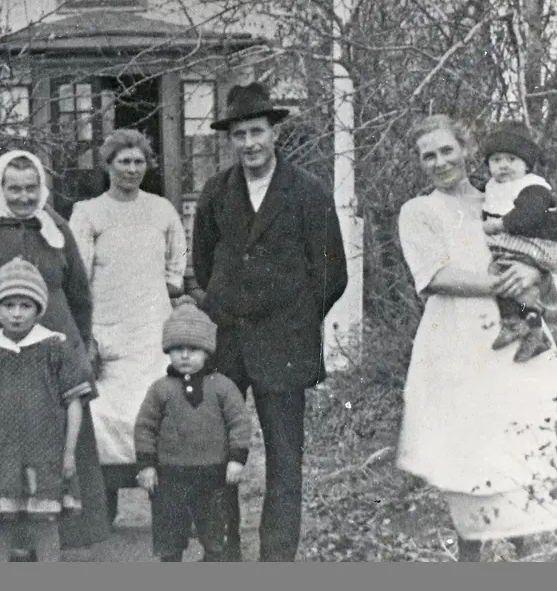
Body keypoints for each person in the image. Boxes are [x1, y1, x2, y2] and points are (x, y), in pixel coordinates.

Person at [396, 114, 557, 562]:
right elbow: (434, 276)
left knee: (521, 437)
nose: (439, 161)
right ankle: (473, 557)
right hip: (456, 339)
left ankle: (526, 549)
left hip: (519, 332)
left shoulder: (505, 195)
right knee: (471, 444)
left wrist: (536, 268)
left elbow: (551, 247)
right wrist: (502, 283)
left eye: (447, 150)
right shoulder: (419, 211)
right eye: (428, 155)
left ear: (467, 150)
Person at [192, 82, 349, 561]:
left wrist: (294, 320)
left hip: (284, 345)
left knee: (285, 459)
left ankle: (277, 560)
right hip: (227, 342)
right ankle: (223, 556)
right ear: (230, 139)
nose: (249, 144)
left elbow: (332, 273)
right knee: (217, 452)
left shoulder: (307, 192)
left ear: (274, 132)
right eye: (239, 135)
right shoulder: (216, 192)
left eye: (257, 131)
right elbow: (204, 264)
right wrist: (230, 307)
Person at [0, 149, 110, 552]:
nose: (24, 197)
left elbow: (80, 292)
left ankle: (58, 539)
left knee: (57, 444)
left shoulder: (56, 228)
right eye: (14, 189)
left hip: (53, 353)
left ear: (41, 188)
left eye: (31, 189)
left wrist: (80, 344)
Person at [69, 128, 188, 523]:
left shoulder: (161, 210)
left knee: (152, 411)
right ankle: (103, 517)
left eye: (139, 162)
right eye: (124, 162)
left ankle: (165, 514)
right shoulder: (89, 213)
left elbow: (175, 267)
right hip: (107, 328)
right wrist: (89, 335)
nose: (132, 169)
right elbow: (77, 277)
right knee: (105, 418)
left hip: (151, 328)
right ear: (108, 165)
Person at [0, 257, 92, 562]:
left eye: (25, 305)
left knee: (44, 523)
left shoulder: (54, 347)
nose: (16, 314)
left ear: (38, 308)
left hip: (44, 453)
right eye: (8, 305)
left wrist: (69, 452)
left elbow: (74, 403)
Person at [134, 297, 251, 562]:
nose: (185, 355)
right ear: (168, 351)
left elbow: (239, 422)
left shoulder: (222, 387)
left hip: (213, 475)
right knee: (170, 535)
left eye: (193, 349)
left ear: (207, 351)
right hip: (170, 477)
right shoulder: (160, 389)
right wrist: (147, 465)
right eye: (177, 349)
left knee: (213, 534)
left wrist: (236, 458)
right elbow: (145, 427)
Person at [480, 121, 557, 362]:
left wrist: (499, 225)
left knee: (505, 276)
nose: (504, 166)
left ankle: (521, 324)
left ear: (526, 164)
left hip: (540, 246)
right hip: (517, 248)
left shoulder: (533, 187)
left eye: (511, 159)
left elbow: (528, 215)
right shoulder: (492, 187)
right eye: (496, 160)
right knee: (509, 283)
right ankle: (531, 328)